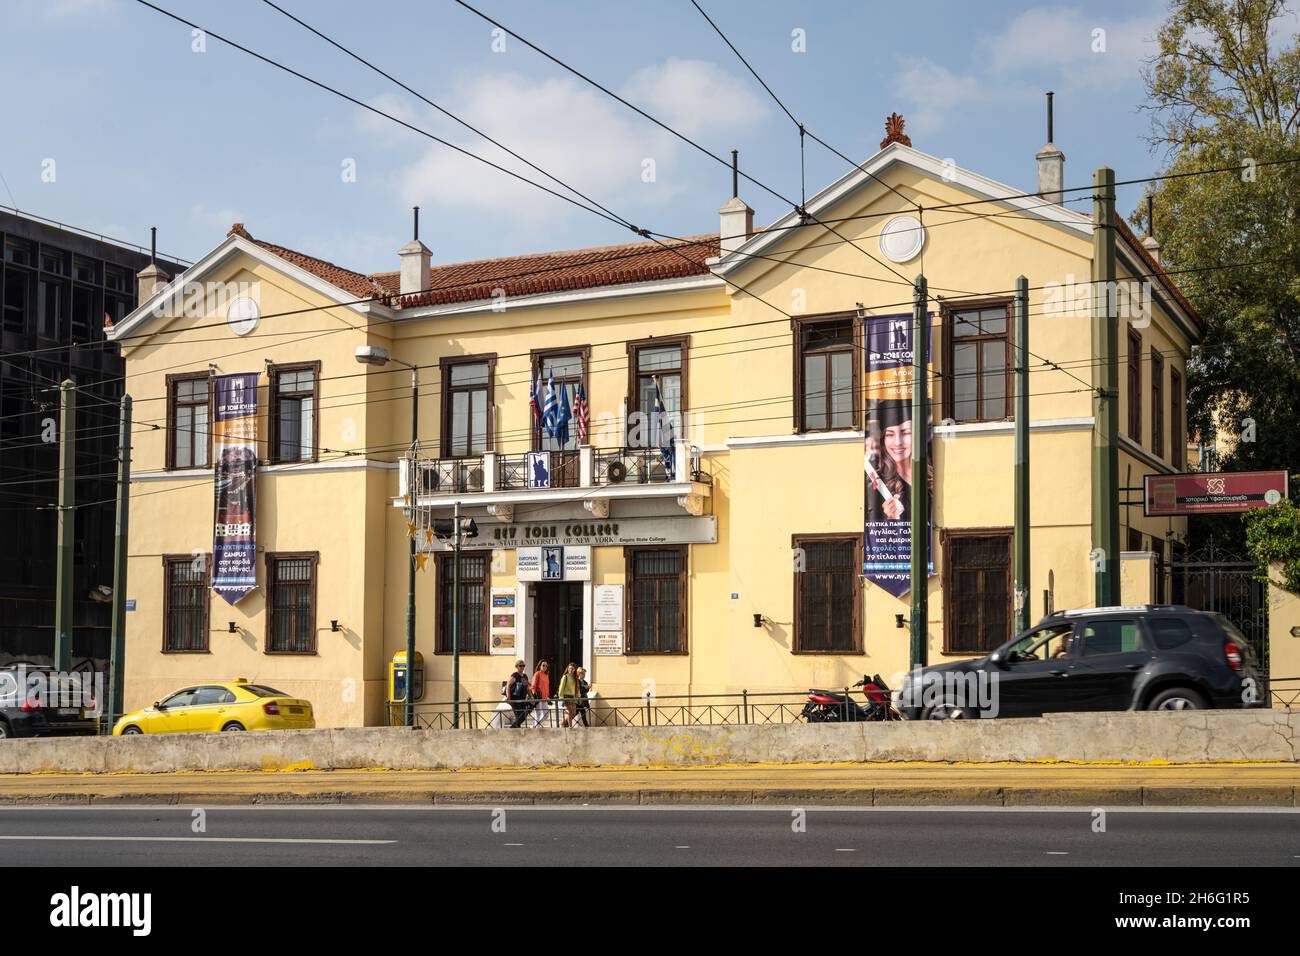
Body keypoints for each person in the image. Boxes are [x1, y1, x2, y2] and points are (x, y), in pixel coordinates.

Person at [507, 660, 532, 728]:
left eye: (523, 666)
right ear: (517, 666)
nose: (522, 667)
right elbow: (508, 686)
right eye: (520, 666)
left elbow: (527, 687)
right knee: (519, 715)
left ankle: (514, 727)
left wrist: (531, 696)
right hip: (515, 699)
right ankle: (515, 728)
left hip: (522, 699)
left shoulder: (524, 676)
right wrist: (508, 697)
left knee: (523, 715)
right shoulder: (515, 675)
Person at [557, 662, 580, 728]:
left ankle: (563, 722)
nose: (571, 670)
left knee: (574, 713)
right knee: (570, 712)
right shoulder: (565, 676)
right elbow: (561, 687)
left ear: (574, 670)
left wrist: (578, 696)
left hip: (573, 697)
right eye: (570, 668)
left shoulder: (575, 677)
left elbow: (577, 688)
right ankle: (570, 726)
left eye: (573, 669)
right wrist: (561, 697)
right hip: (566, 696)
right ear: (568, 668)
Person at [529, 660, 551, 726]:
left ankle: (535, 726)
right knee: (538, 714)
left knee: (546, 714)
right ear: (539, 666)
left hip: (545, 698)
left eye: (546, 666)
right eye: (543, 665)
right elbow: (533, 686)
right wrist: (534, 695)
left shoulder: (546, 675)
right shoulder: (537, 674)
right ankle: (536, 728)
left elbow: (546, 687)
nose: (545, 667)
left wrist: (547, 696)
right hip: (538, 697)